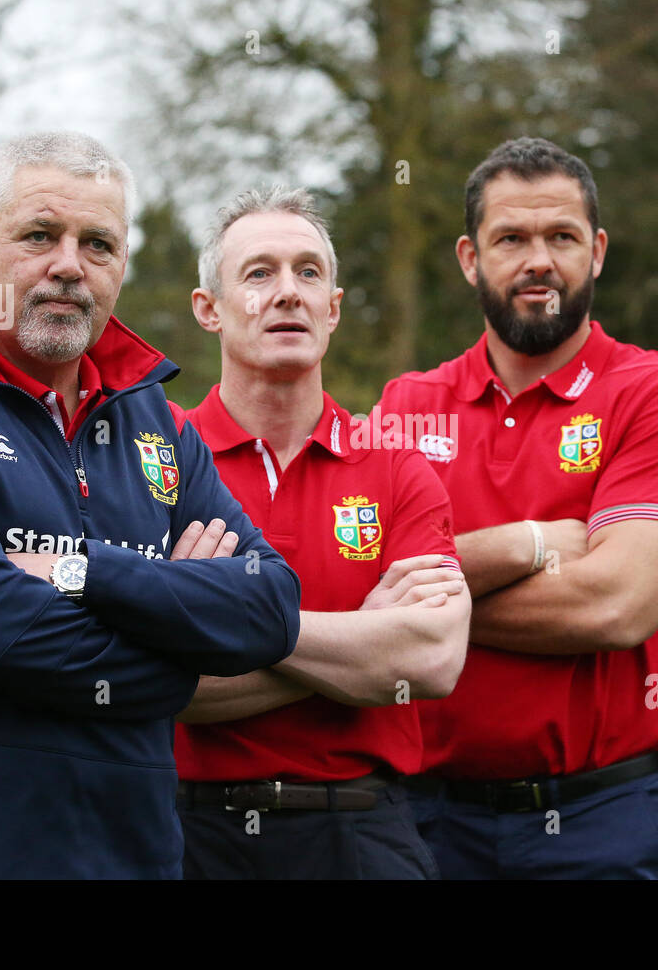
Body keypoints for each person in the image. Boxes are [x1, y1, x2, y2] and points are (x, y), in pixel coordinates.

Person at [0, 131, 300, 879]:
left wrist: (80, 572)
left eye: (97, 243)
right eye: (40, 235)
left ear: (121, 266)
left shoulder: (159, 428)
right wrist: (181, 657)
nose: (69, 265)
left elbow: (272, 607)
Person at [378, 137, 658, 879]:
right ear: (470, 258)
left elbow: (617, 604)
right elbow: (364, 592)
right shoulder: (408, 405)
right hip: (429, 821)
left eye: (561, 237)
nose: (539, 260)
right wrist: (530, 545)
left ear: (596, 251)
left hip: (603, 822)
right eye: (511, 239)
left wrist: (426, 602)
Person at [173, 186, 471, 879]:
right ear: (208, 309)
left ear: (333, 309)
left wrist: (224, 622)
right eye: (259, 273)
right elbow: (149, 673)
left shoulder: (399, 468)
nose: (288, 293)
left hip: (362, 833)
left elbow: (429, 661)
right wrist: (360, 641)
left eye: (309, 272)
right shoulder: (155, 459)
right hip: (187, 834)